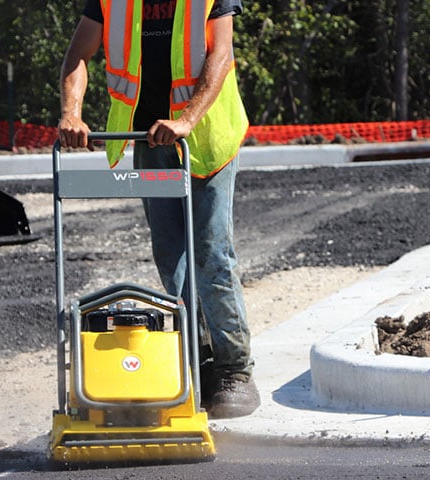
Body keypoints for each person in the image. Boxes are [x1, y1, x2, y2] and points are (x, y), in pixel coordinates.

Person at [58, 0, 257, 418]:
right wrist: (71, 114)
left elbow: (221, 54)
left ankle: (235, 369)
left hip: (206, 136)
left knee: (211, 254)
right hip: (149, 140)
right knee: (171, 257)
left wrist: (186, 119)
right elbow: (78, 54)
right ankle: (197, 358)